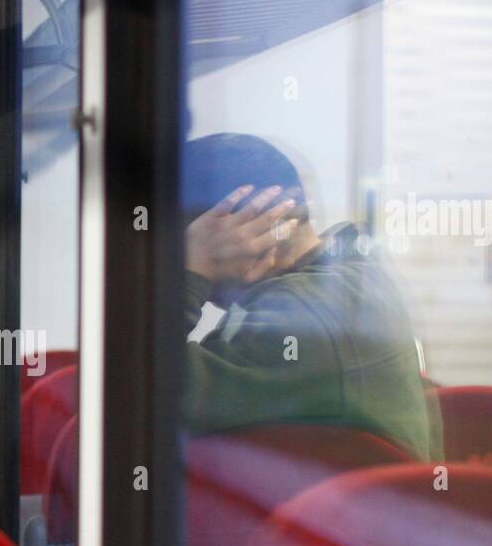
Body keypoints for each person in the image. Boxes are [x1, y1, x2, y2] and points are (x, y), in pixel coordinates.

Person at [181, 132, 438, 460]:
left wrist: (192, 271)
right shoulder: (350, 273)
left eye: (191, 241)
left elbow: (145, 395)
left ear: (249, 227)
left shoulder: (299, 314)